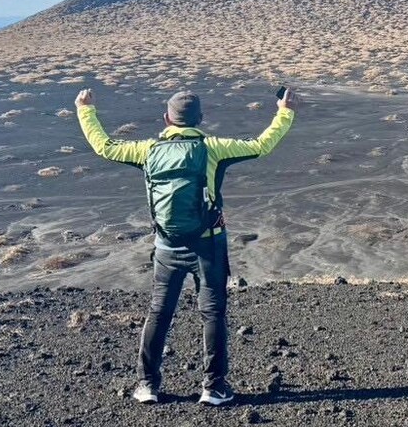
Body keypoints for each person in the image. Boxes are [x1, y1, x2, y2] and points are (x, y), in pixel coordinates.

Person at [74, 86, 296, 406]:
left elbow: (104, 147)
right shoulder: (213, 147)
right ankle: (214, 387)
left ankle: (147, 385)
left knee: (159, 313)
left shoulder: (148, 149)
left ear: (166, 119)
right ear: (201, 119)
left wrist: (85, 109)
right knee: (212, 314)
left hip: (166, 246)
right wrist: (285, 111)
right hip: (208, 246)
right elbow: (261, 145)